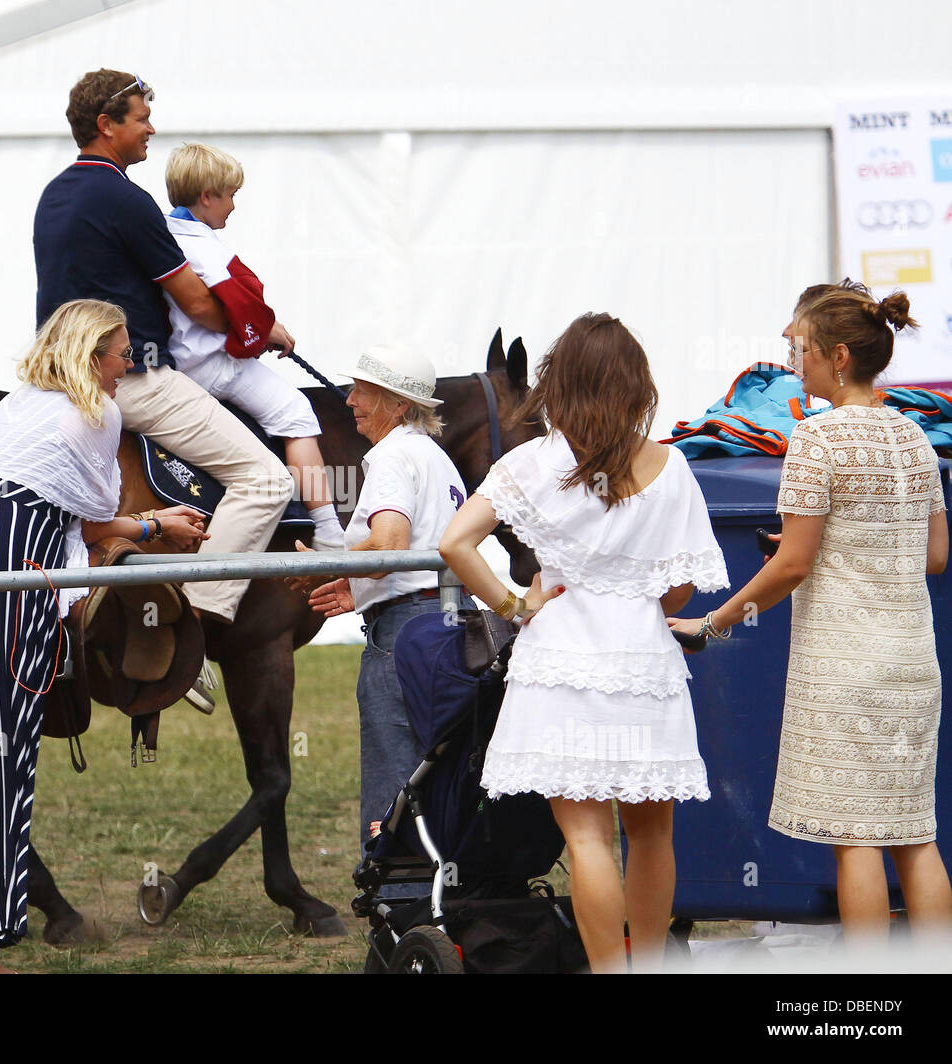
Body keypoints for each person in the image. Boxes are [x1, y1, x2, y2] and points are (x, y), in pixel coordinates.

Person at [0, 300, 208, 973]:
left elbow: (33, 504)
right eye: (120, 354)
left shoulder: (16, 405)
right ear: (91, 356)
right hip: (7, 592)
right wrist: (154, 527)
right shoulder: (95, 415)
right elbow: (84, 524)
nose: (126, 367)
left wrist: (144, 526)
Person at [438, 313, 729, 973]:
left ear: (558, 382)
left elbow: (456, 542)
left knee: (589, 840)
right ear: (635, 383)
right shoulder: (671, 464)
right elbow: (680, 593)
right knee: (651, 838)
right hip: (645, 665)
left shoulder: (530, 463)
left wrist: (517, 603)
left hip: (559, 659)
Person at [670, 286, 952, 945]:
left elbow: (792, 565)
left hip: (845, 666)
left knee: (856, 839)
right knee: (914, 835)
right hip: (912, 663)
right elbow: (935, 554)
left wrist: (714, 623)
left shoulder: (816, 439)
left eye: (799, 349)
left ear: (839, 355)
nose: (793, 361)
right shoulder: (915, 439)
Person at [33, 70, 294, 650]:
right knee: (267, 479)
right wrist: (261, 326)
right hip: (132, 380)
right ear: (106, 126)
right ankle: (193, 628)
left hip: (51, 385)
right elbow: (199, 305)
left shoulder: (53, 194)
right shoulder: (126, 198)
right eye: (141, 118)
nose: (151, 129)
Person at [290, 342, 467, 853]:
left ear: (399, 403)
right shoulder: (435, 458)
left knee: (395, 775)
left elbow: (389, 543)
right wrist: (361, 587)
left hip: (407, 632)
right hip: (449, 624)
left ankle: (397, 908)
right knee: (438, 772)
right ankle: (441, 900)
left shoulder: (391, 456)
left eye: (364, 390)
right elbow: (415, 549)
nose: (349, 400)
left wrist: (325, 565)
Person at [162, 142, 344, 548]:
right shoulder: (207, 247)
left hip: (173, 366)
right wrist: (267, 331)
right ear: (207, 196)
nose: (233, 206)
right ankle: (330, 532)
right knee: (296, 413)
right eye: (231, 196)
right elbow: (246, 305)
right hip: (212, 366)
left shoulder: (161, 232)